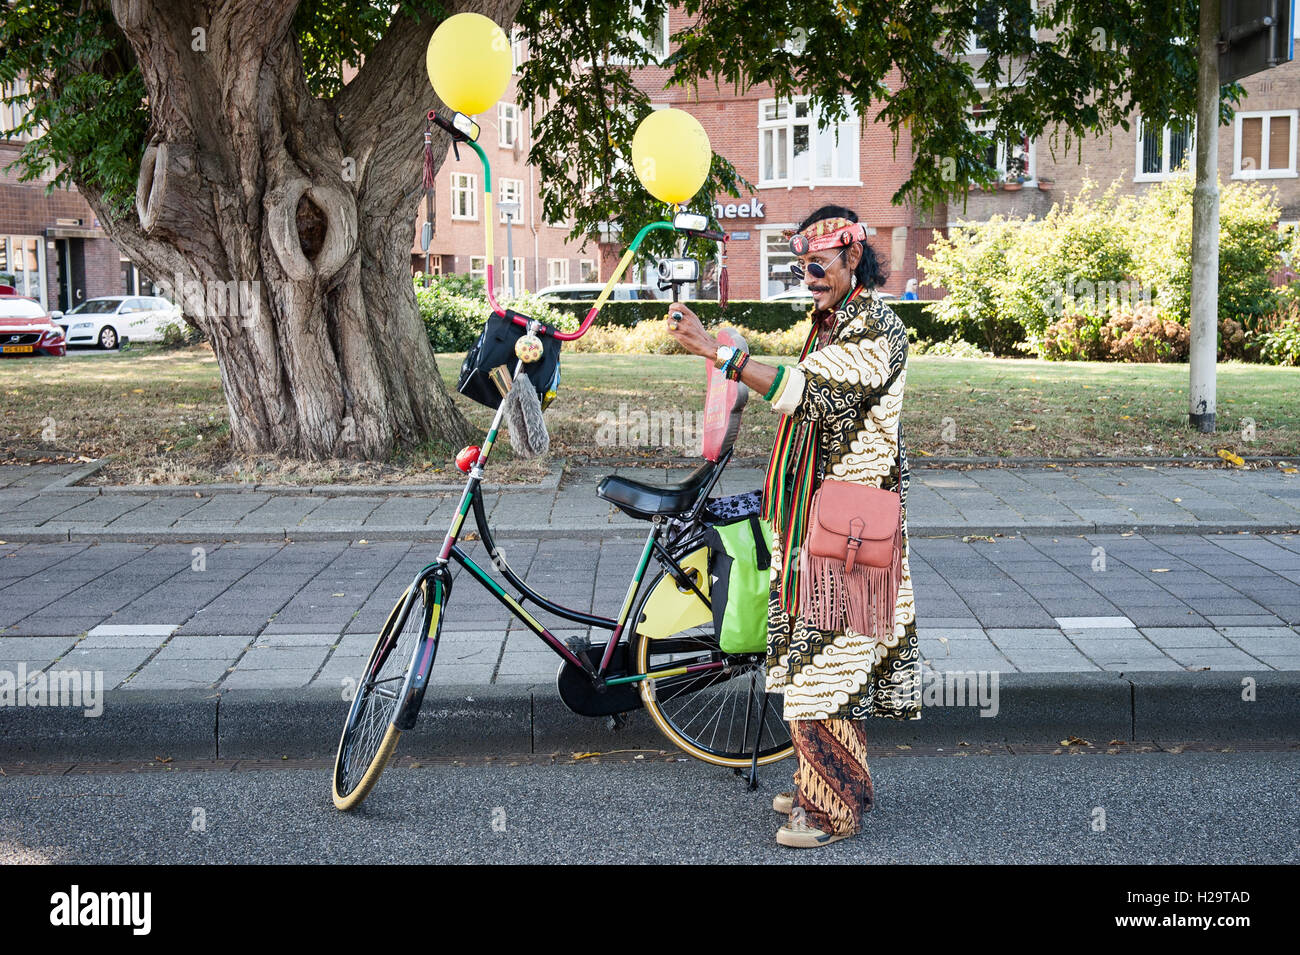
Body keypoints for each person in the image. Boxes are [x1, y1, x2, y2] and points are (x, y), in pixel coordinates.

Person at [665, 204, 920, 849]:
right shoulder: (834, 321)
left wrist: (719, 355)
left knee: (822, 671)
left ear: (852, 257)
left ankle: (830, 812)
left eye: (818, 265)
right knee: (821, 660)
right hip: (822, 522)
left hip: (849, 528)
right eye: (800, 266)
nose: (808, 277)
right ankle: (830, 780)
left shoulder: (880, 330)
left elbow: (813, 393)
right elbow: (796, 383)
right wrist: (734, 353)